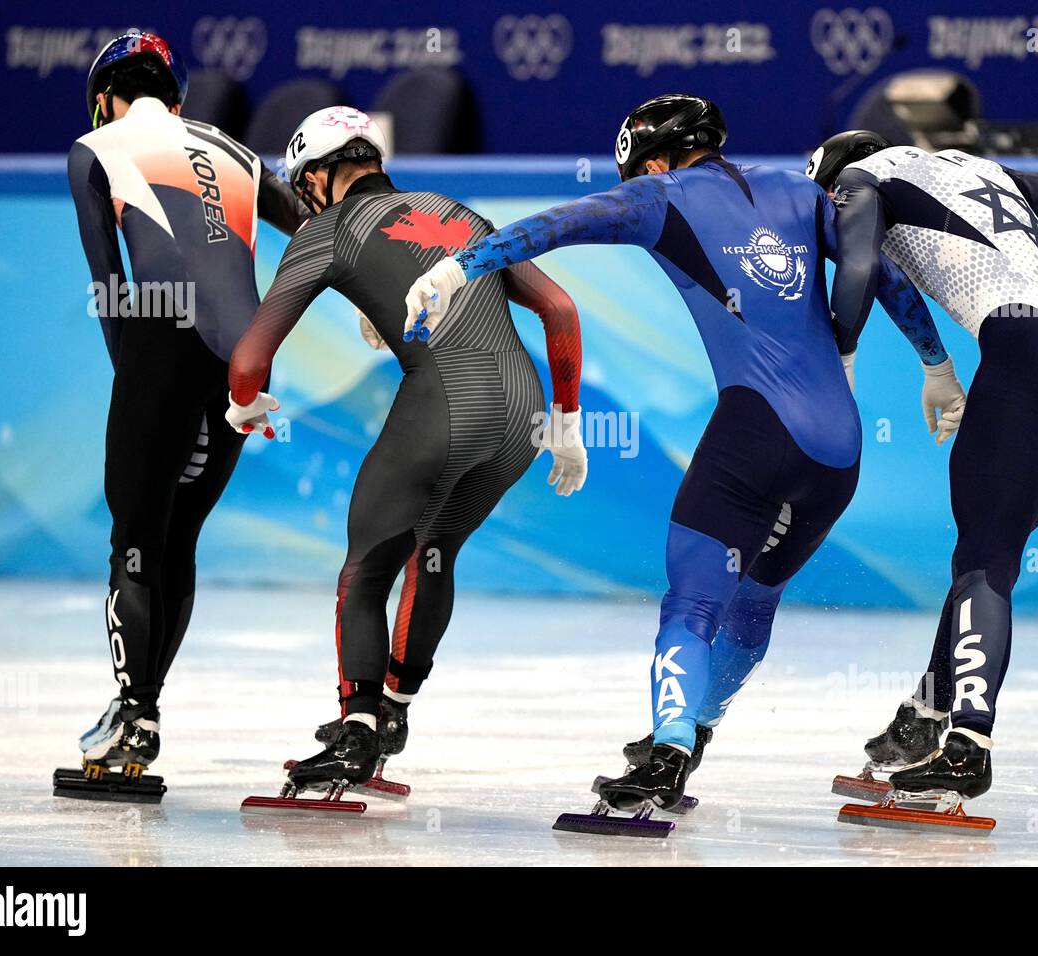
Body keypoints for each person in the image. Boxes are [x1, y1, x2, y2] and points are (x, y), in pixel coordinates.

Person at [404, 95, 964, 813]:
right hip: (838, 452)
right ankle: (697, 729)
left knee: (693, 605)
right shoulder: (800, 189)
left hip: (754, 434)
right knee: (755, 604)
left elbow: (555, 228)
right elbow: (879, 272)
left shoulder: (657, 194)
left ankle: (667, 751)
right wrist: (938, 367)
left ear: (656, 160)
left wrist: (458, 268)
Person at [225, 106, 587, 790]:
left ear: (322, 177)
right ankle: (392, 711)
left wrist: (245, 400)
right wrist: (566, 422)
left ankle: (355, 730)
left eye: (305, 186)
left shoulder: (330, 228)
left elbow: (251, 354)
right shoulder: (459, 210)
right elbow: (561, 308)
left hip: (445, 401)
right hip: (521, 412)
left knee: (365, 569)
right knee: (434, 550)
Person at [814, 130, 1038, 800]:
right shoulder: (976, 167)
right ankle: (928, 714)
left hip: (1028, 358)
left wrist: (841, 357)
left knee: (983, 559)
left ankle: (967, 746)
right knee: (988, 556)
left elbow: (858, 264)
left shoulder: (860, 182)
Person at [63, 30, 308, 790]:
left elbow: (110, 288)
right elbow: (321, 229)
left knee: (137, 537)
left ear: (107, 97)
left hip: (161, 349)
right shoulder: (234, 149)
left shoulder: (94, 148)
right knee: (181, 540)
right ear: (177, 97)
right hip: (245, 357)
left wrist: (138, 393)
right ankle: (141, 707)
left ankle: (134, 713)